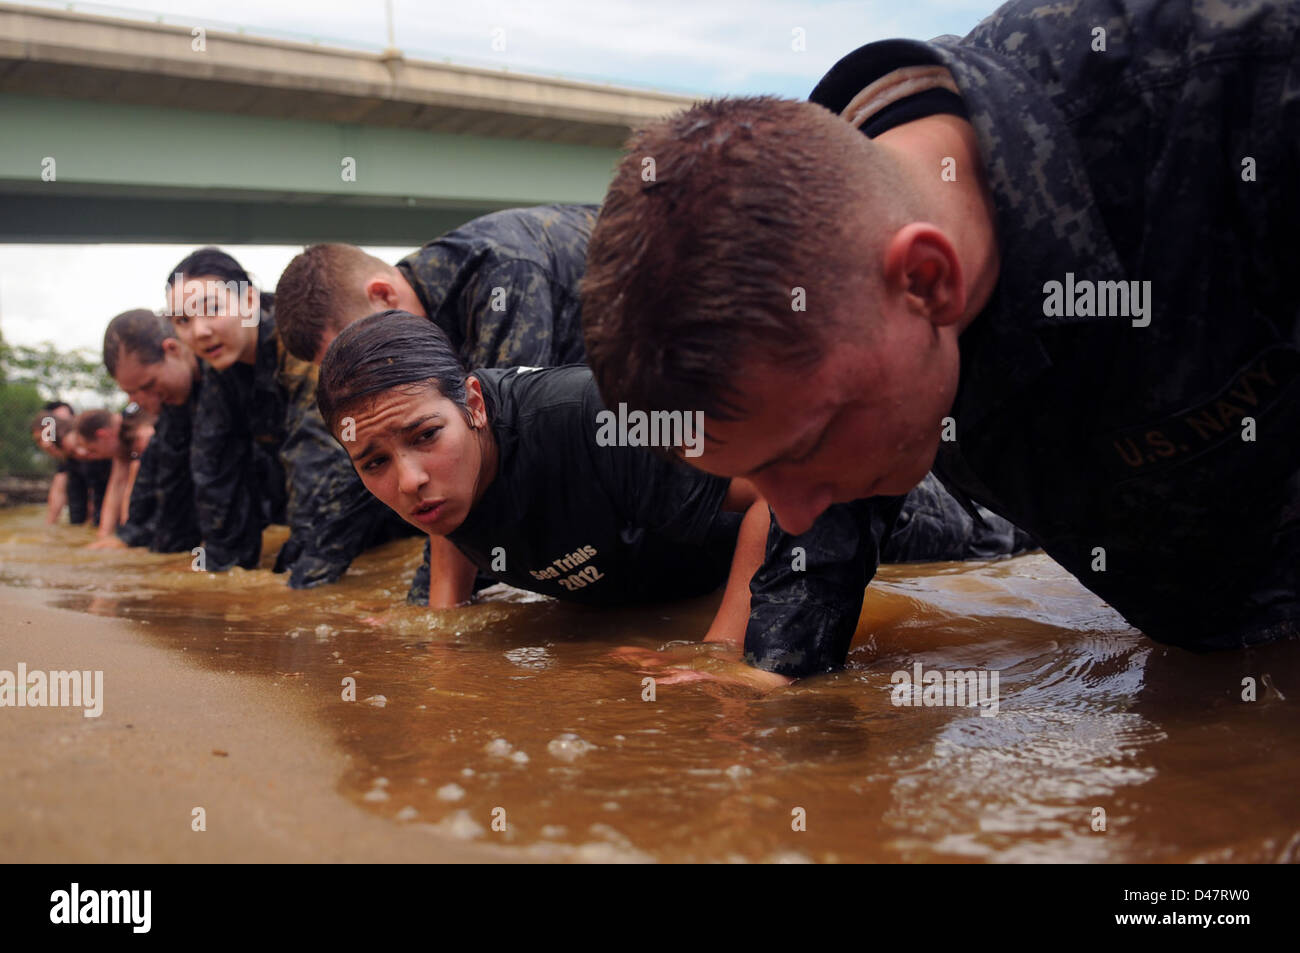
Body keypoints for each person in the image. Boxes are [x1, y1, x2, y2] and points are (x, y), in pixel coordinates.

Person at [579, 0, 1300, 682]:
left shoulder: (1237, 81)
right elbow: (814, 553)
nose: (790, 510)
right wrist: (764, 685)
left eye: (800, 451)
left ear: (926, 279)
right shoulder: (843, 302)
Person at [317, 312, 1034, 640]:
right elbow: (451, 509)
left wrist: (724, 654)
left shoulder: (597, 424)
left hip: (889, 519)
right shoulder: (445, 472)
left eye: (423, 438)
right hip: (680, 559)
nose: (409, 482)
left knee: (1019, 557)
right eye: (374, 462)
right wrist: (443, 621)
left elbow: (783, 492)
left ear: (473, 403)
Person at [165, 247, 411, 587]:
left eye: (212, 309)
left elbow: (320, 460)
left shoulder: (296, 345)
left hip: (391, 505)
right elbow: (214, 473)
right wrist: (222, 574)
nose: (200, 331)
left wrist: (303, 577)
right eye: (182, 321)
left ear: (249, 301)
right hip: (325, 511)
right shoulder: (221, 375)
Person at [273, 204, 599, 367]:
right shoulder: (425, 298)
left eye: (365, 350)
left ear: (383, 294)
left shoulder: (501, 270)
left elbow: (508, 426)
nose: (369, 369)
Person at [101, 308, 202, 553]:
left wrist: (218, 557)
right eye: (131, 393)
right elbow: (165, 482)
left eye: (148, 386)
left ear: (173, 350)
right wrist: (129, 537)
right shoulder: (172, 407)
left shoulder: (224, 374)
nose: (144, 401)